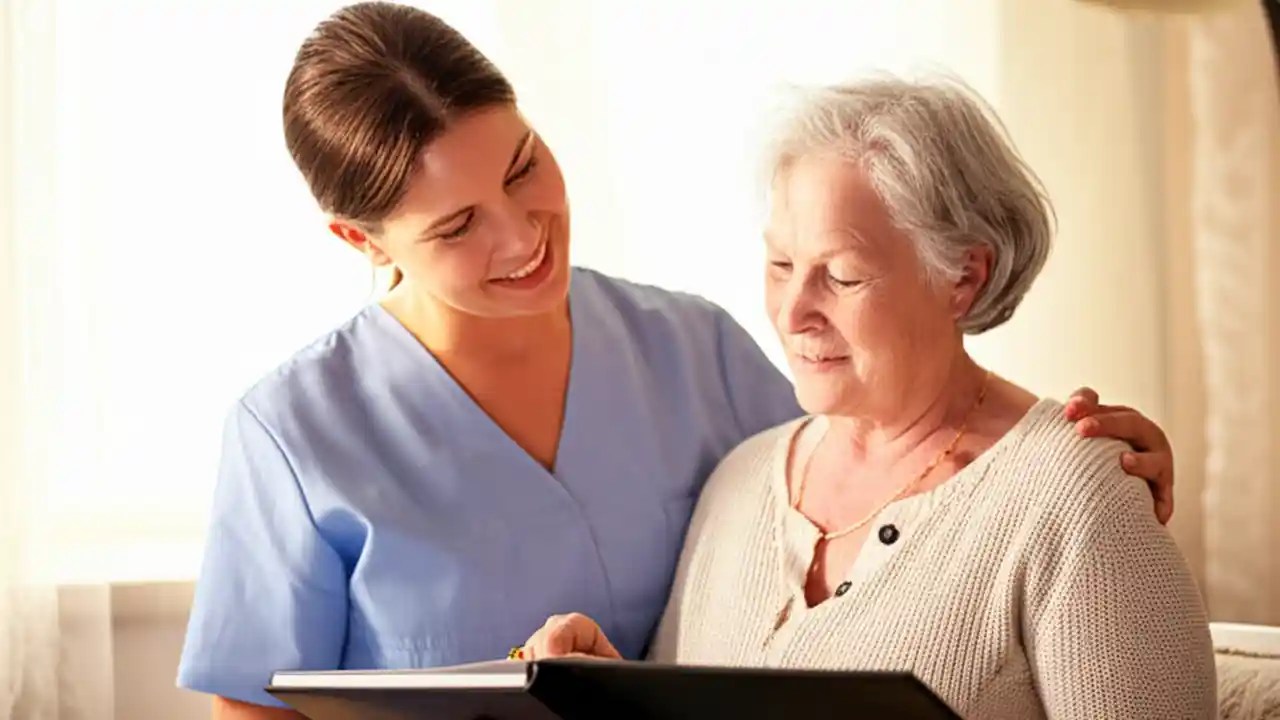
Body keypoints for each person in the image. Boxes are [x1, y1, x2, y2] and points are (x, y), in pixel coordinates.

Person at [175, 4, 1181, 718]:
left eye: (524, 167)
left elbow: (888, 460)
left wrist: (1079, 468)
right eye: (456, 225)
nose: (522, 235)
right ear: (364, 243)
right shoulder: (294, 429)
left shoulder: (689, 350)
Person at [520, 78, 1216, 718]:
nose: (794, 312)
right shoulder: (738, 484)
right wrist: (605, 698)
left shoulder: (1079, 497)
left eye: (843, 277)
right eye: (782, 265)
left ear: (964, 277)